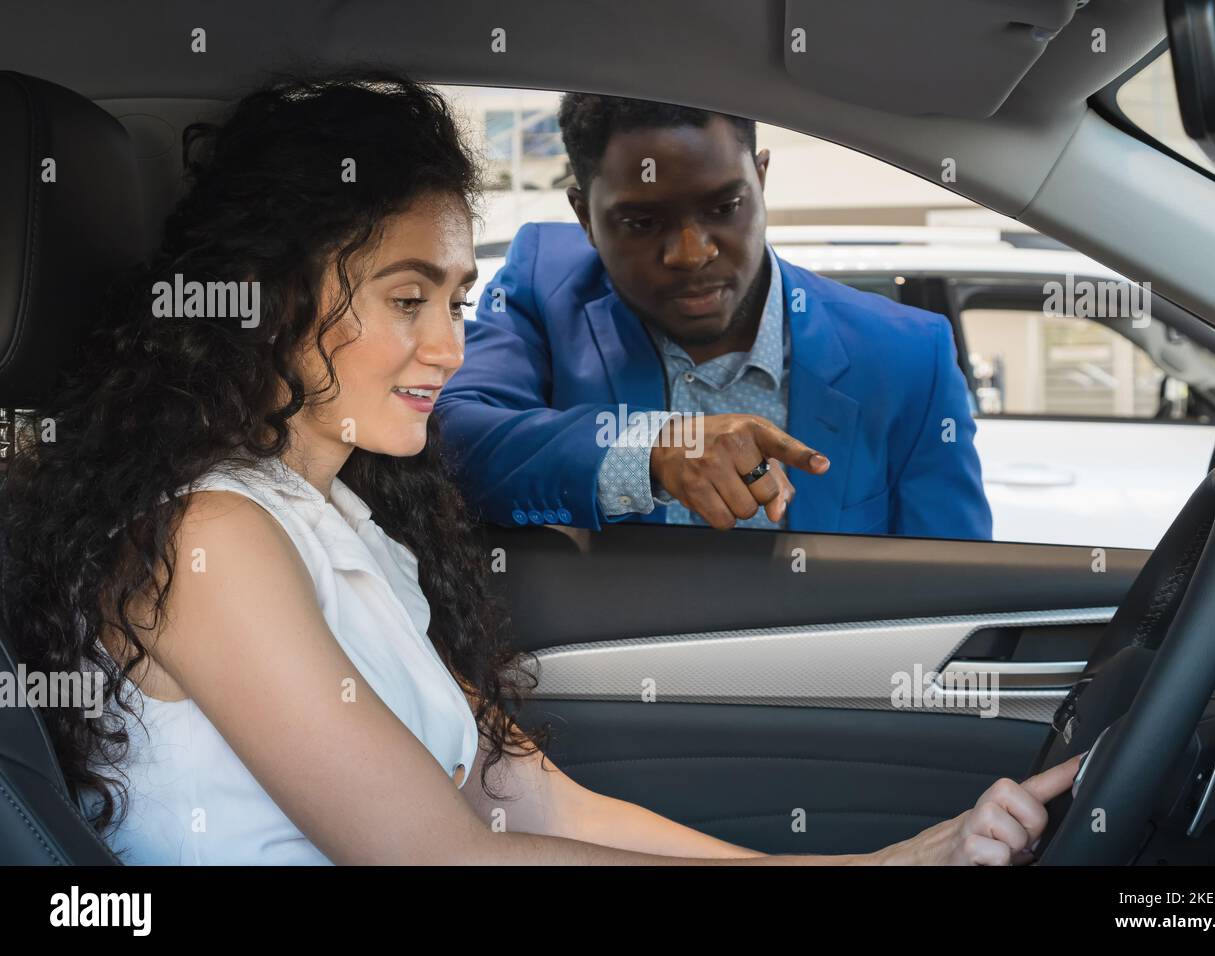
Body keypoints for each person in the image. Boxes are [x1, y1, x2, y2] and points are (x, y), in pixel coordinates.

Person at [2, 70, 1073, 865]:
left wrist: (877, 864)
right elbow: (446, 858)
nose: (451, 348)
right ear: (274, 294)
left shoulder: (338, 519)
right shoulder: (213, 539)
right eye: (406, 299)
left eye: (455, 301)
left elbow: (534, 800)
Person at [435, 94, 993, 537]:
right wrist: (649, 449)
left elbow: (954, 592)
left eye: (723, 208)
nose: (691, 253)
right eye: (642, 222)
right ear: (585, 216)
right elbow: (453, 434)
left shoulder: (906, 353)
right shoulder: (545, 283)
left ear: (761, 179)